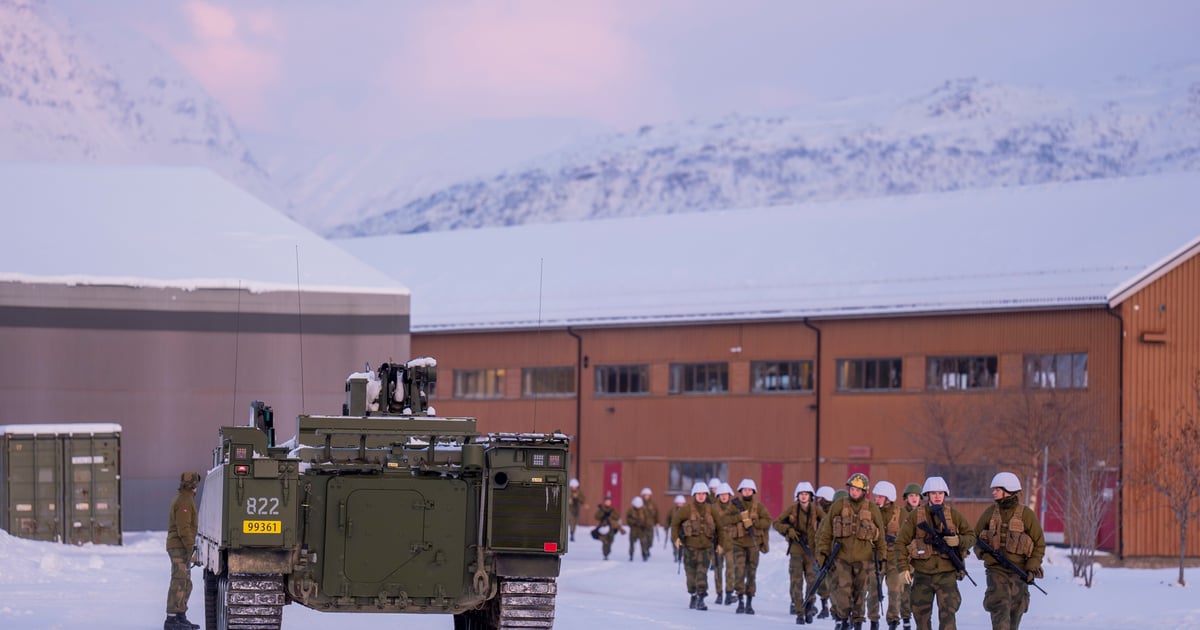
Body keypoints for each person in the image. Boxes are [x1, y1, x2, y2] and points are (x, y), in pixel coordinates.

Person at [894, 476, 976, 630]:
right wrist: (903, 567)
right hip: (922, 575)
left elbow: (971, 536)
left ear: (945, 495)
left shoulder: (954, 516)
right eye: (933, 493)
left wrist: (959, 540)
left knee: (948, 620)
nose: (938, 496)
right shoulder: (915, 516)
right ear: (927, 495)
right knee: (921, 619)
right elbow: (900, 543)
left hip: (947, 576)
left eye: (941, 493)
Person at [974, 472, 1045, 630]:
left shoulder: (1026, 514)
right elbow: (974, 537)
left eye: (997, 489)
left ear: (1008, 491)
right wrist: (985, 555)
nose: (993, 492)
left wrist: (1031, 568)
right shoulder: (990, 512)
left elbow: (1039, 544)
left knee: (1015, 613)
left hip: (1019, 572)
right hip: (996, 570)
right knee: (1000, 609)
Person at [816, 473, 886, 630]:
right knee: (843, 592)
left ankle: (858, 623)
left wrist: (882, 558)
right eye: (852, 488)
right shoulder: (839, 505)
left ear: (864, 491)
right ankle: (844, 620)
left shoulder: (872, 508)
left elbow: (880, 536)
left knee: (860, 593)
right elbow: (826, 532)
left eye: (858, 489)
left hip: (865, 559)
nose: (854, 492)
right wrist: (823, 553)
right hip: (842, 558)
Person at [670, 481, 727, 611]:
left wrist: (720, 544)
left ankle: (701, 598)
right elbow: (675, 523)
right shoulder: (687, 509)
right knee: (691, 575)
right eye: (698, 494)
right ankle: (693, 594)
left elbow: (720, 528)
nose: (701, 496)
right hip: (689, 548)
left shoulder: (711, 509)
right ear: (694, 495)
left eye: (703, 494)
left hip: (706, 548)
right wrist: (676, 539)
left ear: (706, 495)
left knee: (702, 573)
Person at [774, 480, 825, 624]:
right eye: (801, 494)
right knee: (796, 582)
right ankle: (799, 611)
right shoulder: (792, 509)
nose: (803, 497)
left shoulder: (816, 510)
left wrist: (820, 536)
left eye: (806, 494)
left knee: (812, 581)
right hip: (796, 550)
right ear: (797, 496)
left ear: (810, 496)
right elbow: (776, 523)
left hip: (811, 551)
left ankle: (809, 606)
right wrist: (788, 530)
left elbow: (827, 524)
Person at [727, 478, 772, 614]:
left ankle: (749, 603)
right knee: (739, 572)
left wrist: (754, 522)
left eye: (749, 490)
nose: (747, 492)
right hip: (738, 544)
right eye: (744, 490)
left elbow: (768, 521)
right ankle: (740, 601)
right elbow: (725, 520)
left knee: (751, 573)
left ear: (753, 491)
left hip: (753, 544)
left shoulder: (759, 507)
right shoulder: (734, 506)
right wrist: (740, 518)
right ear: (741, 491)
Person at [165, 471, 201, 630]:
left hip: (181, 546)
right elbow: (183, 528)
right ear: (193, 484)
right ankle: (172, 620)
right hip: (179, 547)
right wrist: (191, 546)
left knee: (185, 582)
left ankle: (180, 616)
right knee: (179, 581)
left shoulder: (185, 499)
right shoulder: (184, 501)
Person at [869, 480, 902, 630]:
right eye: (877, 496)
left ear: (889, 498)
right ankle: (873, 620)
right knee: (874, 589)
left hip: (894, 557)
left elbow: (909, 534)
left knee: (895, 589)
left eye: (881, 496)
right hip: (876, 555)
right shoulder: (870, 512)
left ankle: (893, 620)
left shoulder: (900, 513)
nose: (877, 499)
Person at [897, 483, 923, 630]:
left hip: (922, 557)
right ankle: (905, 619)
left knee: (920, 592)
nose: (914, 498)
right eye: (911, 496)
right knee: (904, 590)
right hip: (905, 557)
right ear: (906, 498)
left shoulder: (925, 513)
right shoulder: (900, 513)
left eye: (916, 496)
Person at [712, 482, 737, 605]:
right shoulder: (713, 508)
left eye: (726, 494)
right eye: (721, 494)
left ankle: (729, 593)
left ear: (729, 495)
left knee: (730, 570)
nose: (723, 497)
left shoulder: (735, 507)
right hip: (718, 543)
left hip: (731, 543)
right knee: (718, 569)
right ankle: (719, 594)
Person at [593, 494, 622, 560]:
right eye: (606, 501)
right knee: (605, 541)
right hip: (603, 527)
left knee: (611, 540)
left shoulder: (613, 510)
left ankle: (607, 551)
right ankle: (605, 554)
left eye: (609, 501)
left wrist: (611, 517)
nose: (607, 502)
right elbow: (596, 517)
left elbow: (617, 517)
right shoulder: (602, 509)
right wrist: (602, 513)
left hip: (611, 528)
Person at [625, 495, 652, 561]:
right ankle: (631, 555)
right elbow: (628, 519)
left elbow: (648, 519)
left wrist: (645, 525)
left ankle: (644, 554)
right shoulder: (630, 510)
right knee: (632, 543)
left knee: (643, 543)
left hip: (641, 529)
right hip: (633, 529)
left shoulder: (644, 510)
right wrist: (634, 522)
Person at [666, 494, 688, 561]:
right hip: (675, 529)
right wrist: (666, 527)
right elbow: (668, 519)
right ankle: (676, 554)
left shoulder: (686, 510)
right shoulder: (672, 510)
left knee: (684, 543)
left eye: (681, 503)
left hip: (684, 530)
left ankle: (682, 555)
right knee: (675, 542)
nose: (680, 504)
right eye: (679, 503)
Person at [640, 487, 660, 557]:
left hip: (650, 525)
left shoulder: (653, 504)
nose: (646, 497)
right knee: (643, 540)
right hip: (642, 526)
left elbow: (657, 513)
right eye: (645, 495)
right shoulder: (640, 503)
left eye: (648, 495)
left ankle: (647, 549)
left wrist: (657, 522)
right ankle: (644, 553)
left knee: (650, 541)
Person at [568, 478, 584, 542]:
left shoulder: (578, 492)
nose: (574, 488)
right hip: (570, 509)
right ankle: (571, 534)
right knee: (571, 521)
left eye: (575, 486)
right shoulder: (568, 492)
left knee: (575, 522)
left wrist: (577, 497)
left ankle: (573, 533)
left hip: (576, 509)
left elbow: (582, 500)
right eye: (573, 486)